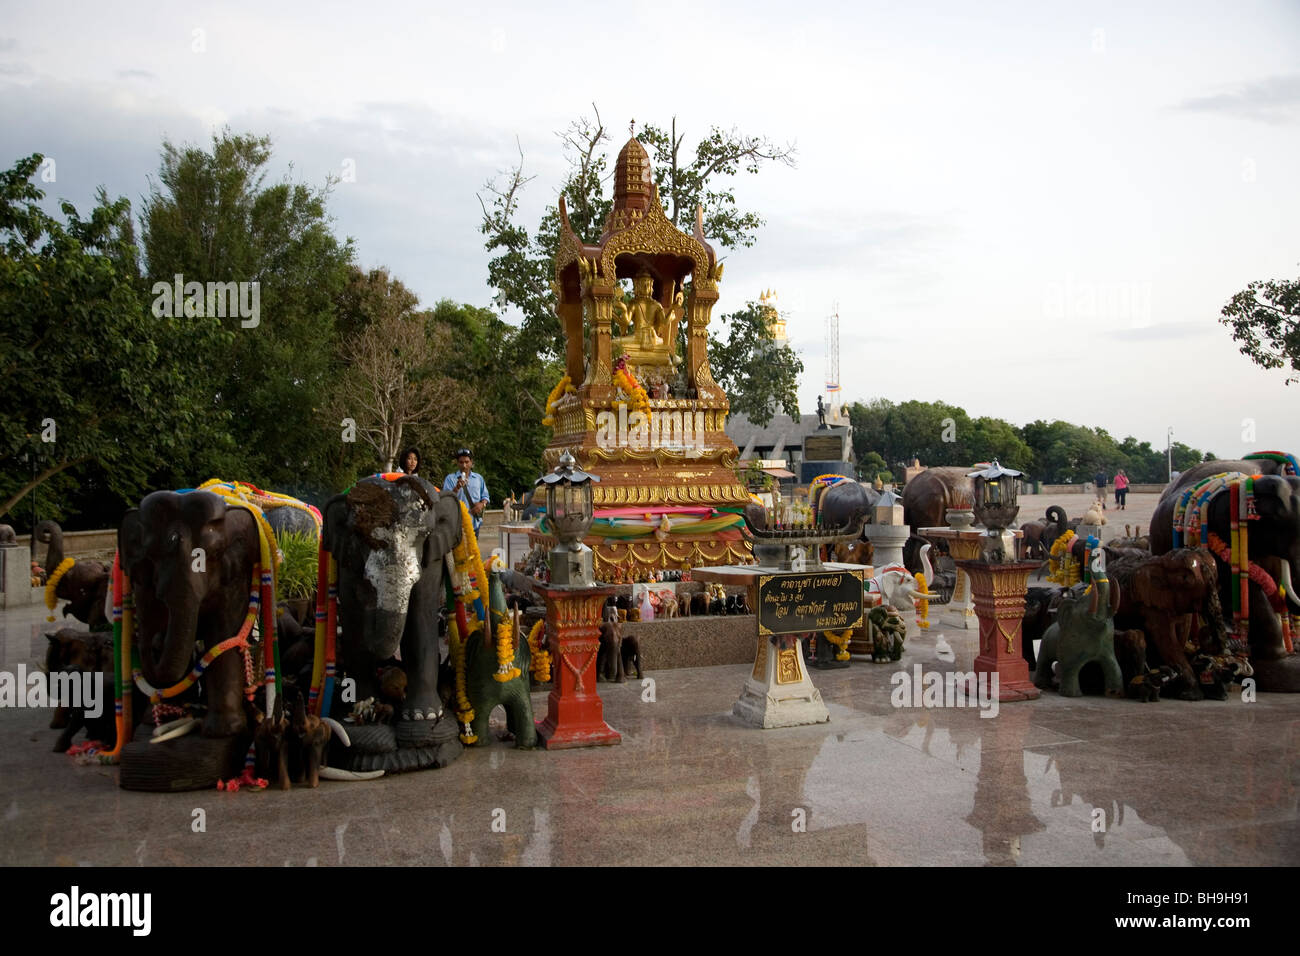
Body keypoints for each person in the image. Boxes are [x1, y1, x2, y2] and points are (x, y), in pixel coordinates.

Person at [442, 447, 490, 532]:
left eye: (467, 462)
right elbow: (445, 500)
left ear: (471, 462)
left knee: (473, 545)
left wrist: (481, 504)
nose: (464, 465)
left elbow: (485, 496)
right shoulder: (450, 479)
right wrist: (456, 488)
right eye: (461, 462)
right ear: (457, 463)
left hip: (474, 524)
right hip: (456, 525)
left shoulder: (478, 478)